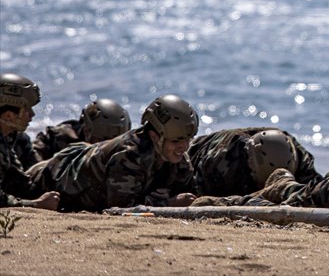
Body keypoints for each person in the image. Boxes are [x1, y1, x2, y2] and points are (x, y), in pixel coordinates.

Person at [30, 94, 199, 212]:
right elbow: (121, 207)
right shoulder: (129, 154)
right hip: (50, 177)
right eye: (176, 141)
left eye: (188, 139)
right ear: (155, 136)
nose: (183, 147)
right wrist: (167, 203)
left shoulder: (178, 159)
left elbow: (189, 193)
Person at [187, 127, 321, 204]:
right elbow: (200, 200)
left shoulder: (299, 157)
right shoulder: (221, 161)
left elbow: (312, 193)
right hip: (193, 153)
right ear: (251, 167)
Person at [0, 73, 60, 209]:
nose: (32, 115)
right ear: (9, 116)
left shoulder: (11, 137)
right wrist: (37, 204)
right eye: (27, 110)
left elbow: (20, 181)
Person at [32, 98, 132, 161]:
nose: (108, 146)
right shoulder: (59, 137)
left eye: (114, 142)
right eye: (103, 140)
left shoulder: (126, 149)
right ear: (87, 131)